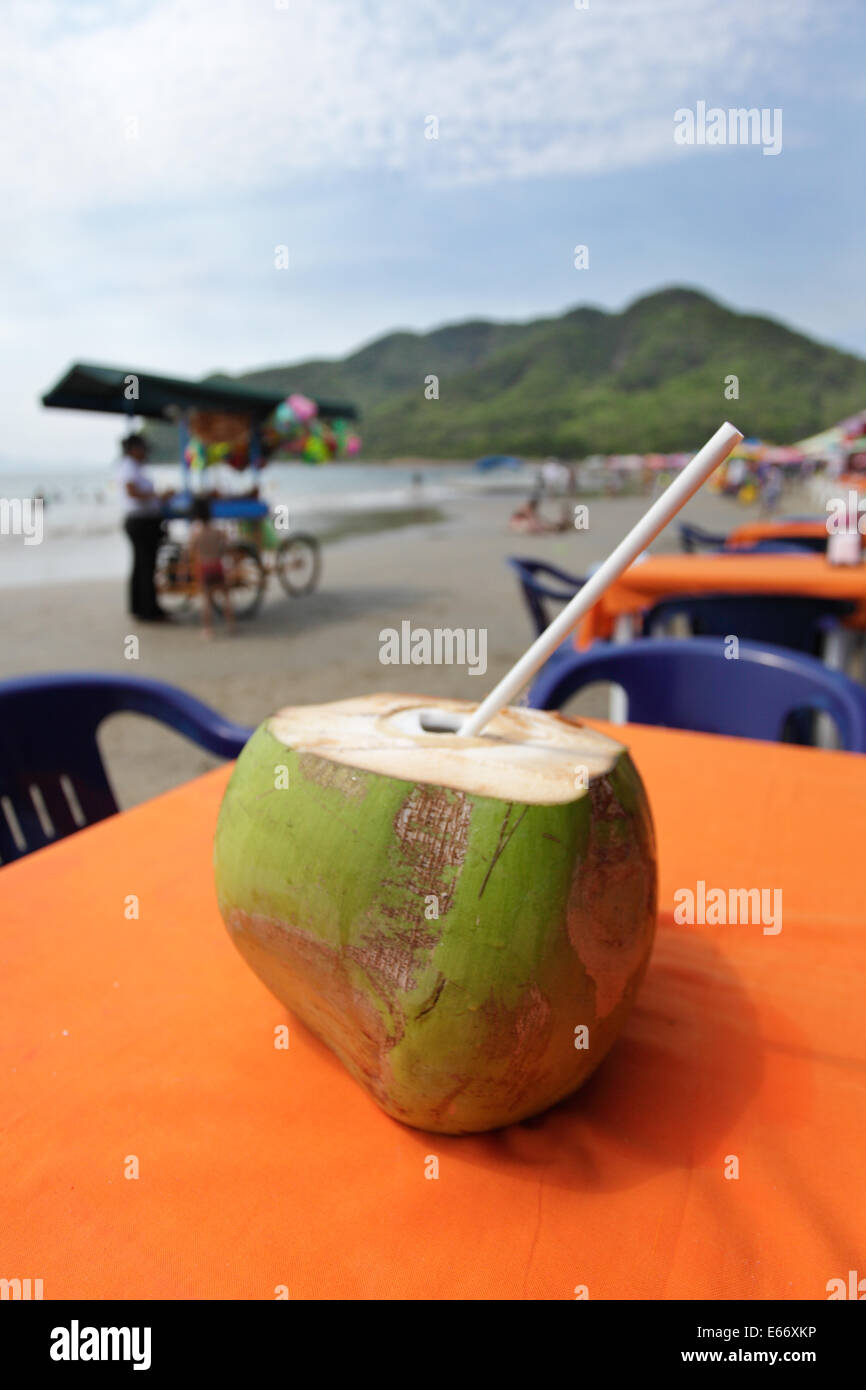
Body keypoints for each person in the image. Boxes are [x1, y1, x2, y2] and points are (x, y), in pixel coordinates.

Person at [117, 434, 173, 621]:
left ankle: (142, 607)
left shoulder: (135, 467)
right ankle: (147, 610)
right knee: (145, 566)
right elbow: (132, 492)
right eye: (142, 448)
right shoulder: (128, 467)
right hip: (140, 522)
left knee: (143, 566)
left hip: (143, 521)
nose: (145, 452)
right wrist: (158, 496)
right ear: (134, 449)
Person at [188, 496, 235, 638]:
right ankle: (231, 625)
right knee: (226, 597)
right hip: (218, 566)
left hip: (205, 568)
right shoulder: (218, 532)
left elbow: (191, 550)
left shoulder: (197, 533)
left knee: (207, 600)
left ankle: (208, 629)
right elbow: (225, 548)